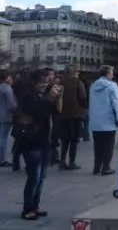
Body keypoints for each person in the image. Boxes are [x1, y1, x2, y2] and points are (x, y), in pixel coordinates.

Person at [16, 69, 62, 220]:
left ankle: (35, 206)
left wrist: (59, 97)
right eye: (41, 82)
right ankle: (27, 208)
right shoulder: (28, 97)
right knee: (33, 177)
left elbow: (57, 110)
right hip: (31, 141)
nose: (45, 85)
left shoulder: (44, 96)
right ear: (33, 82)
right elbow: (39, 111)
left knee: (42, 177)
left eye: (46, 82)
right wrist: (50, 96)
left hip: (45, 141)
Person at [89, 65, 118, 176]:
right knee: (108, 145)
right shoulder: (112, 86)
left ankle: (96, 167)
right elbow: (117, 104)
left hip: (96, 121)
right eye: (112, 72)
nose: (113, 74)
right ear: (108, 74)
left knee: (97, 145)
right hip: (108, 120)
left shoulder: (93, 86)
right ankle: (106, 167)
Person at [59, 65, 87, 170]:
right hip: (75, 116)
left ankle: (62, 160)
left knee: (65, 140)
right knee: (74, 140)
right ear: (75, 72)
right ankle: (72, 162)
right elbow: (83, 98)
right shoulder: (78, 83)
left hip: (63, 116)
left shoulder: (61, 83)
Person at [0, 69, 17, 167]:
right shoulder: (6, 88)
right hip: (6, 116)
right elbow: (11, 105)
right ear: (6, 77)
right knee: (4, 138)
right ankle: (2, 159)